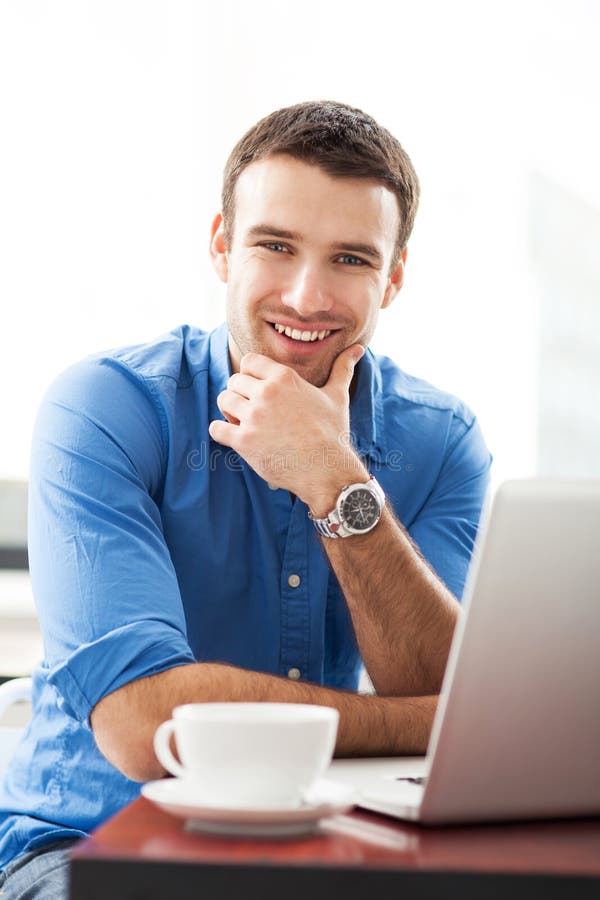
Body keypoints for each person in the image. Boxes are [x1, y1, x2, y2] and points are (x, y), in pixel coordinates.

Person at [0, 100, 491, 897]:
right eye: (275, 245)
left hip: (326, 844)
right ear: (223, 245)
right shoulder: (105, 408)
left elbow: (448, 688)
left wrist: (336, 480)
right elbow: (142, 725)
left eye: (352, 260)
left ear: (394, 277)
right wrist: (434, 725)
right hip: (87, 845)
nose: (306, 296)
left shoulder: (441, 440)